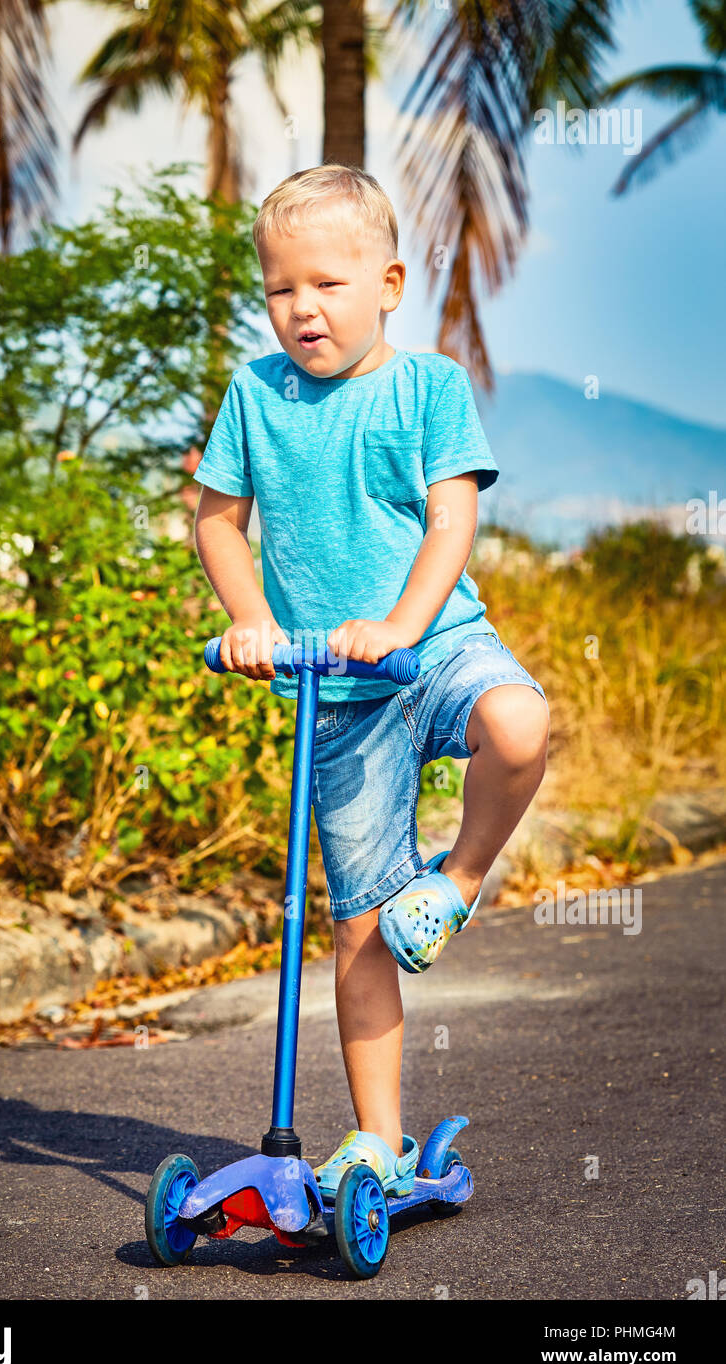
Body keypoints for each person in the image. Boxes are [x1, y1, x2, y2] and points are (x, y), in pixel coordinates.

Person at [192, 163, 549, 1201]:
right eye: (278, 288)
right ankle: (378, 1141)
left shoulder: (426, 384)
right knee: (357, 922)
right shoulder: (254, 394)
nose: (300, 308)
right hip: (336, 693)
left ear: (386, 282)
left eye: (326, 284)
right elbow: (218, 517)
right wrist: (249, 621)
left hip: (430, 645)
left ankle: (460, 879)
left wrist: (399, 624)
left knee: (518, 723)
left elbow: (449, 519)